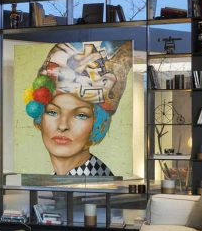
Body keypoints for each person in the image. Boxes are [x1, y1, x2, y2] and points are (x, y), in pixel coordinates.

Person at [24, 41, 132, 177]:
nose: (63, 126)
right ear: (40, 116)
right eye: (52, 112)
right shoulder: (58, 179)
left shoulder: (97, 182)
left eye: (81, 115)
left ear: (97, 123)